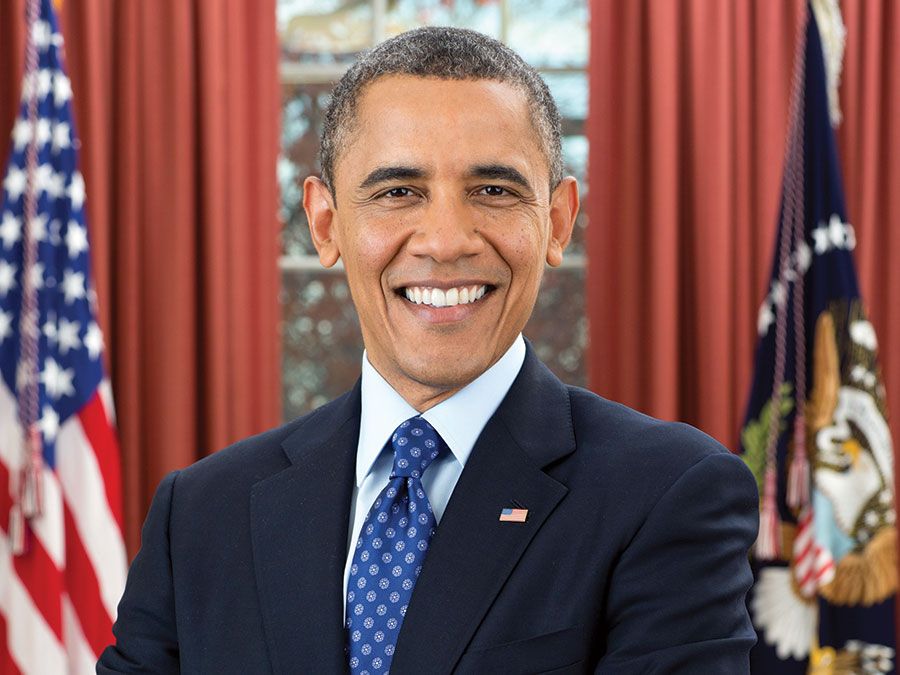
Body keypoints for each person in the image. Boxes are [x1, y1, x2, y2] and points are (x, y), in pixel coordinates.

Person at [98, 27, 758, 674]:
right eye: (398, 192)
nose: (445, 240)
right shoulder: (202, 514)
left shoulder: (670, 494)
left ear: (557, 221)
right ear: (325, 224)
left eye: (493, 190)